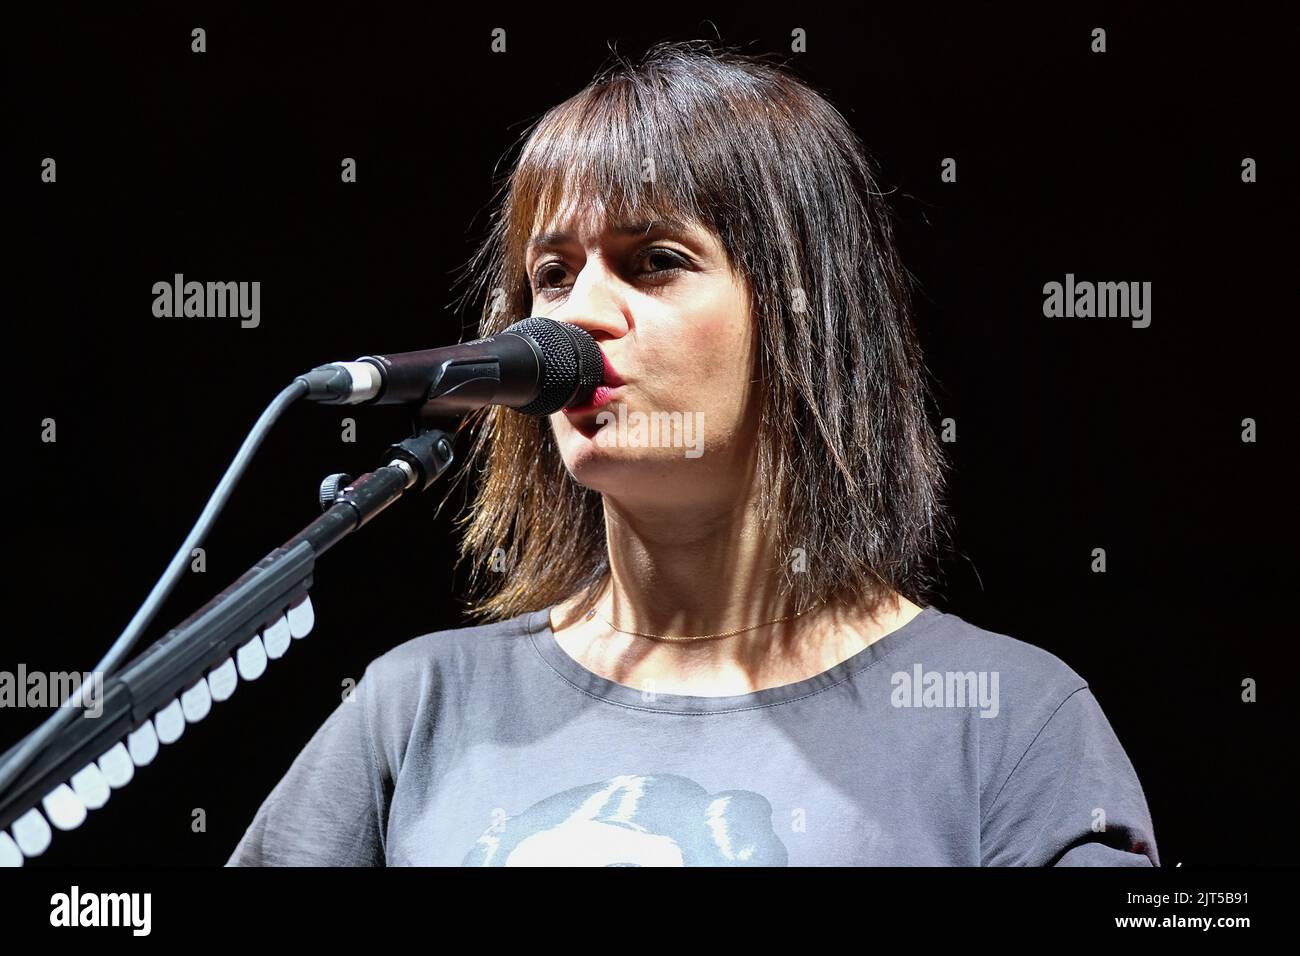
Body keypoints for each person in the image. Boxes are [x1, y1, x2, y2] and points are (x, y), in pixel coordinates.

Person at [227, 40, 1158, 867]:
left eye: (654, 260)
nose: (579, 313)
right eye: (551, 275)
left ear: (807, 317)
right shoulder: (416, 706)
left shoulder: (1008, 722)